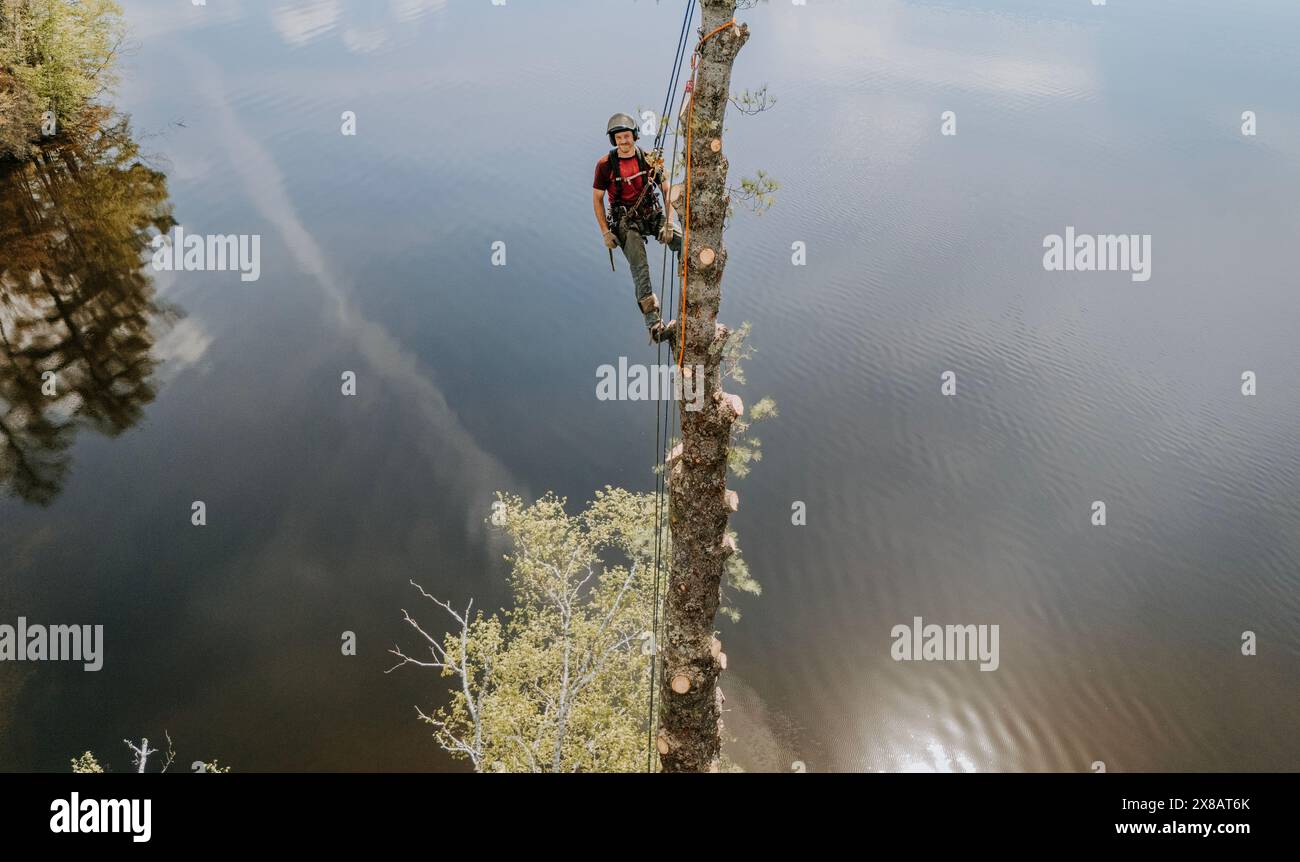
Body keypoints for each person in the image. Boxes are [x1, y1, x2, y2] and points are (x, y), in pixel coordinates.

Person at [592, 112, 683, 346]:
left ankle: (692, 282)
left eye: (627, 136)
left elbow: (666, 189)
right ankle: (654, 325)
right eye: (619, 138)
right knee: (640, 269)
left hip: (650, 213)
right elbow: (597, 199)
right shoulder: (605, 166)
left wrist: (670, 222)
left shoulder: (649, 160)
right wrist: (605, 231)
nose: (623, 141)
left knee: (683, 242)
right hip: (625, 223)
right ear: (614, 141)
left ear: (634, 136)